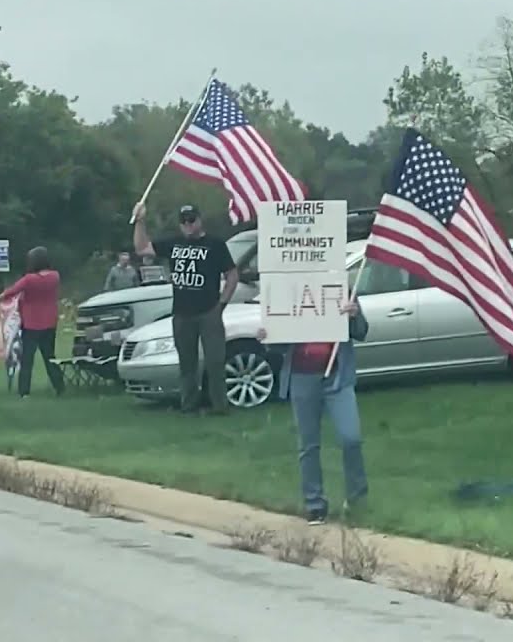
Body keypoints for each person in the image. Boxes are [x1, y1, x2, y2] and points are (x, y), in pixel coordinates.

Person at [257, 298, 370, 525]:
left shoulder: (341, 289)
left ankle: (356, 500)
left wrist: (354, 315)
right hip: (302, 376)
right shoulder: (291, 292)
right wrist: (268, 336)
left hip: (337, 376)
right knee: (308, 444)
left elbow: (361, 332)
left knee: (351, 438)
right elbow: (279, 345)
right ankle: (314, 504)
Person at [132, 202, 238, 414]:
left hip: (209, 311)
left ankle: (219, 406)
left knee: (215, 362)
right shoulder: (173, 243)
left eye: (191, 220)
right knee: (186, 363)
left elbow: (232, 275)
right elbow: (142, 248)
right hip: (182, 312)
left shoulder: (215, 245)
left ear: (199, 220)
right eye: (184, 221)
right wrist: (140, 221)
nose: (188, 225)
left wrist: (222, 304)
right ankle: (189, 406)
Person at [0, 246, 66, 398]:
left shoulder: (29, 279)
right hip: (50, 322)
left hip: (32, 323)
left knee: (27, 359)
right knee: (50, 357)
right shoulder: (55, 276)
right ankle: (59, 387)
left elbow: (12, 291)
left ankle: (24, 391)